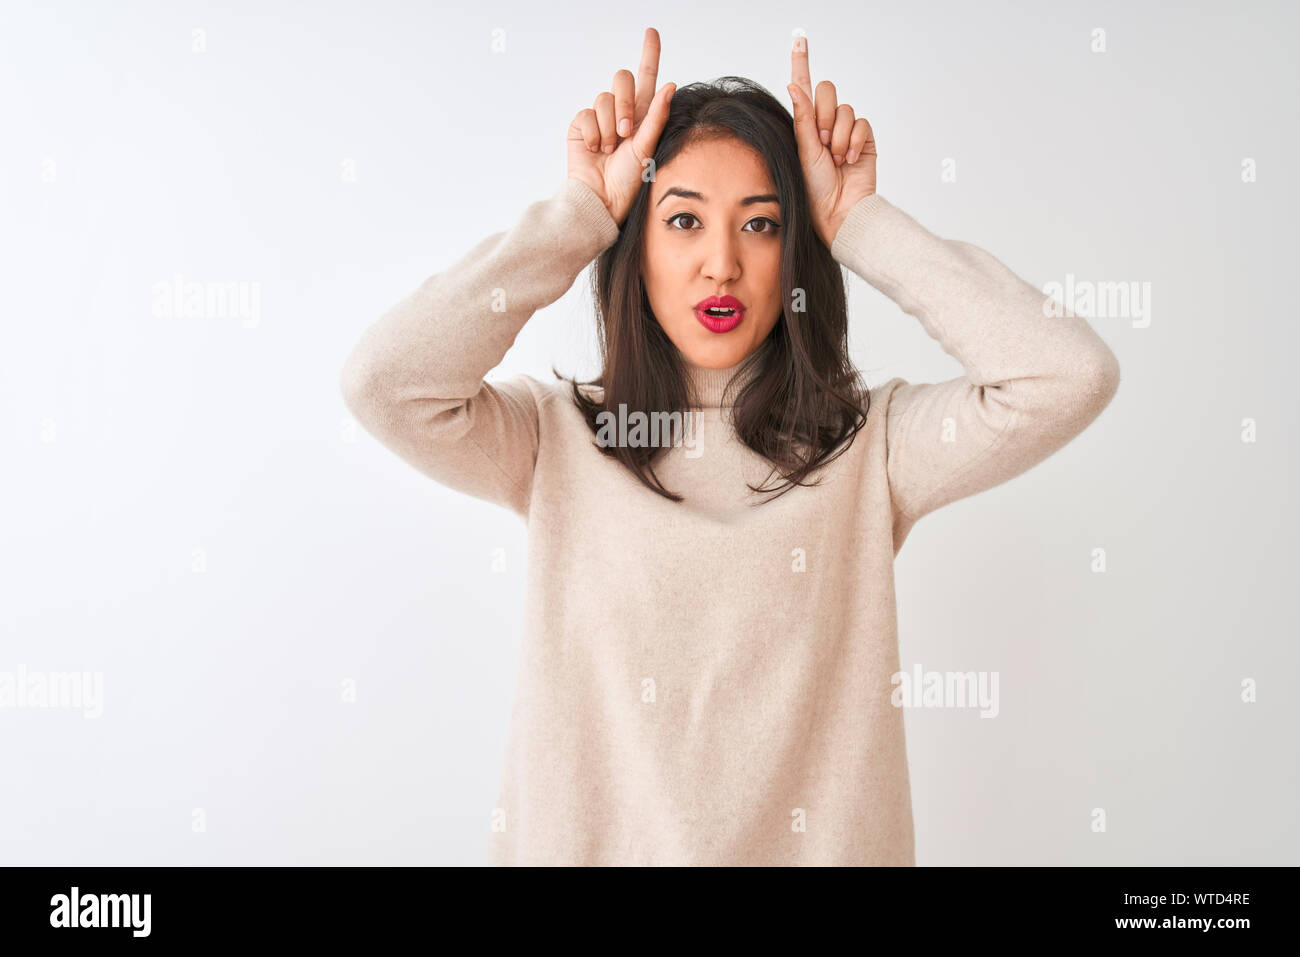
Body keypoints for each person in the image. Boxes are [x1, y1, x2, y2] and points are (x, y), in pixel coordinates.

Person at [339, 27, 1120, 865]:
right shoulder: (553, 439)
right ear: (634, 253)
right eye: (681, 221)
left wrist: (858, 223)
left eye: (761, 225)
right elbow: (383, 382)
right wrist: (578, 219)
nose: (721, 263)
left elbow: (1067, 374)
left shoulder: (870, 447)